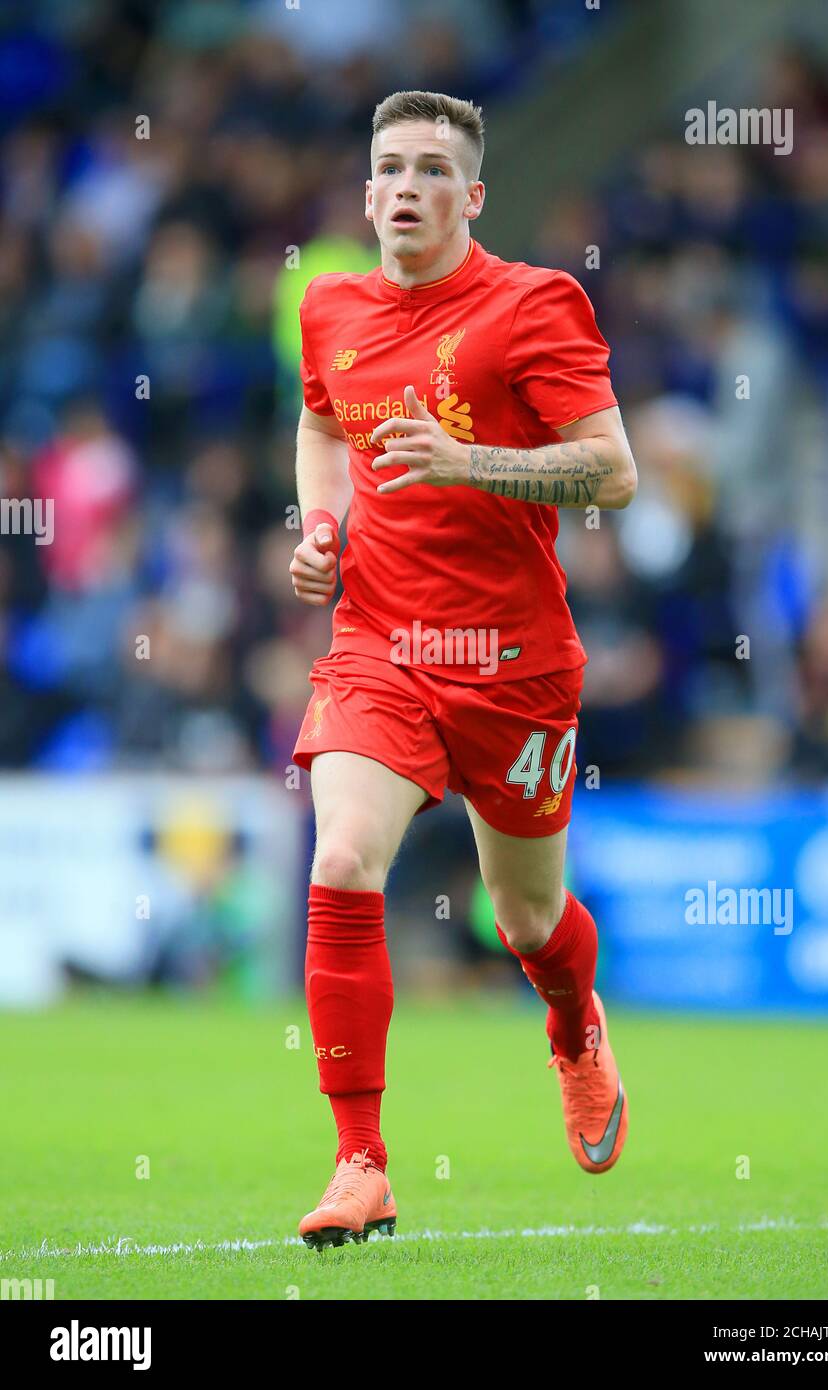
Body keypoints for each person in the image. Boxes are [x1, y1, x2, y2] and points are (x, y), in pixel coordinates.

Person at [288, 90, 637, 1250]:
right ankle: (361, 1163)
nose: (403, 186)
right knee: (341, 854)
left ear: (472, 195)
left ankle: (574, 1024)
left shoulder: (535, 305)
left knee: (528, 920)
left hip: (515, 663)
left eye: (432, 169)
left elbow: (612, 474)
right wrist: (321, 527)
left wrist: (465, 459)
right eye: (387, 166)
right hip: (380, 644)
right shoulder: (329, 304)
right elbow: (324, 424)